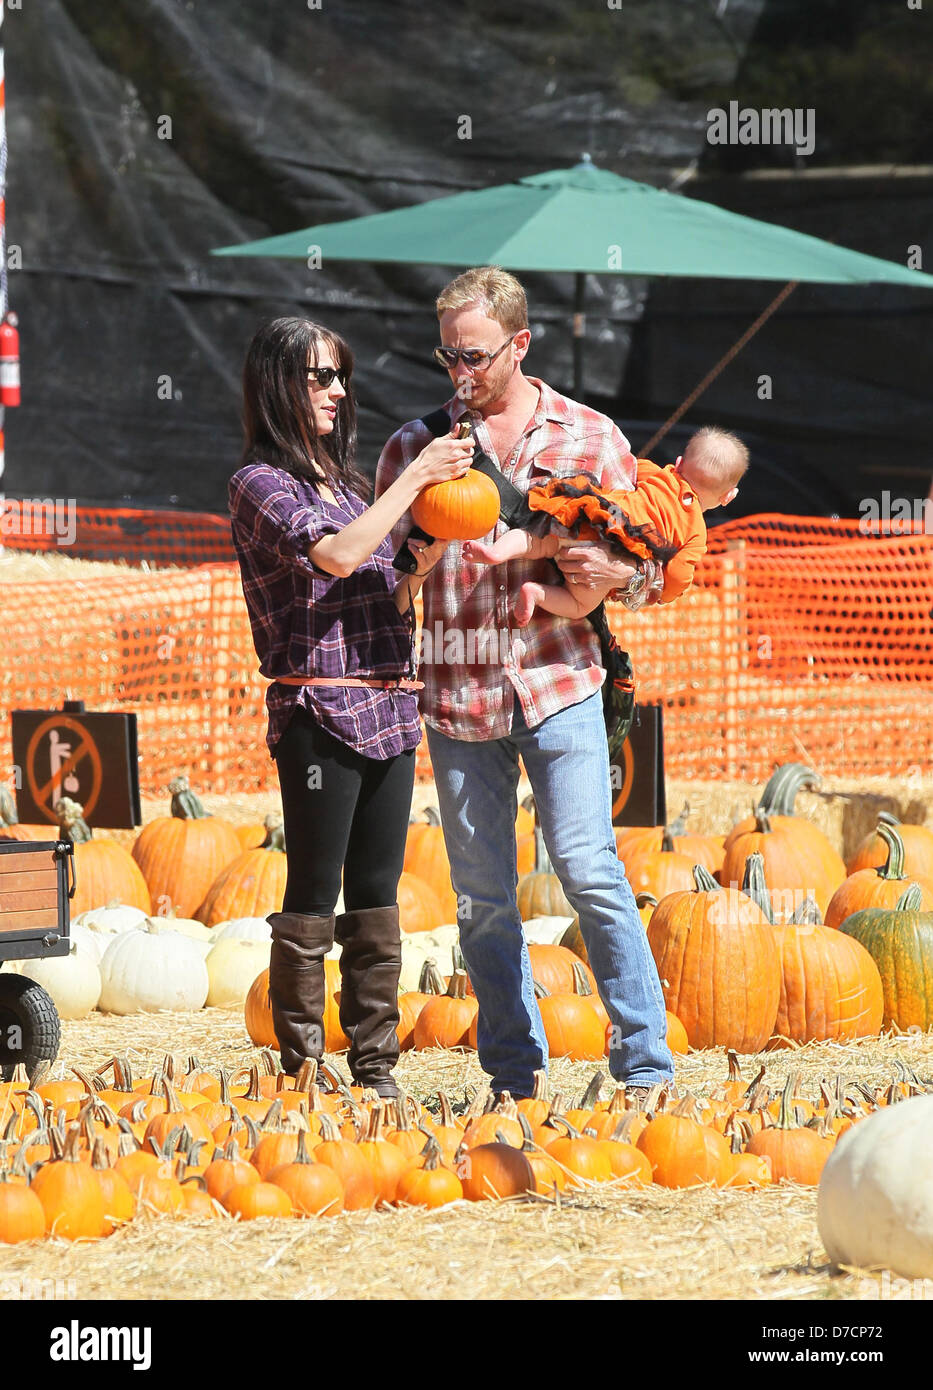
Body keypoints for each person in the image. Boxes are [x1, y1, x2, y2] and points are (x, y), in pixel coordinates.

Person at [376, 266, 674, 1100]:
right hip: (455, 696)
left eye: (473, 356)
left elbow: (652, 571)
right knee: (479, 898)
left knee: (587, 869)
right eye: (446, 359)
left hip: (558, 683)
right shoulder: (412, 447)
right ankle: (513, 1073)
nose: (458, 375)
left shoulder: (590, 438)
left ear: (519, 343)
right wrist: (414, 559)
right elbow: (385, 592)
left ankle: (645, 1066)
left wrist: (606, 568)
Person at [228, 316, 473, 1097]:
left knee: (376, 896)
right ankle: (302, 1069)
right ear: (278, 384)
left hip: (389, 706)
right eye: (319, 376)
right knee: (312, 892)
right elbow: (331, 557)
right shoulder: (259, 484)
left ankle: (375, 1070)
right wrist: (410, 481)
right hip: (319, 711)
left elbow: (376, 588)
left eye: (340, 376)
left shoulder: (345, 487)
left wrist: (416, 565)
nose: (337, 390)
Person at [462, 428, 748, 625]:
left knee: (537, 540)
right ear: (728, 497)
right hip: (616, 546)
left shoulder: (659, 474)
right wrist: (668, 595)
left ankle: (496, 553)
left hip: (593, 517)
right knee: (579, 605)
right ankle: (536, 593)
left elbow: (631, 470)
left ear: (679, 463)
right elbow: (678, 574)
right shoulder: (697, 531)